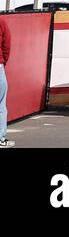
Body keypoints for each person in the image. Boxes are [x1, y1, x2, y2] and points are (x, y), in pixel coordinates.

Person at [0, 13, 12, 147]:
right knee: (1, 104)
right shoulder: (2, 21)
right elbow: (6, 45)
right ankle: (0, 138)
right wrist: (3, 62)